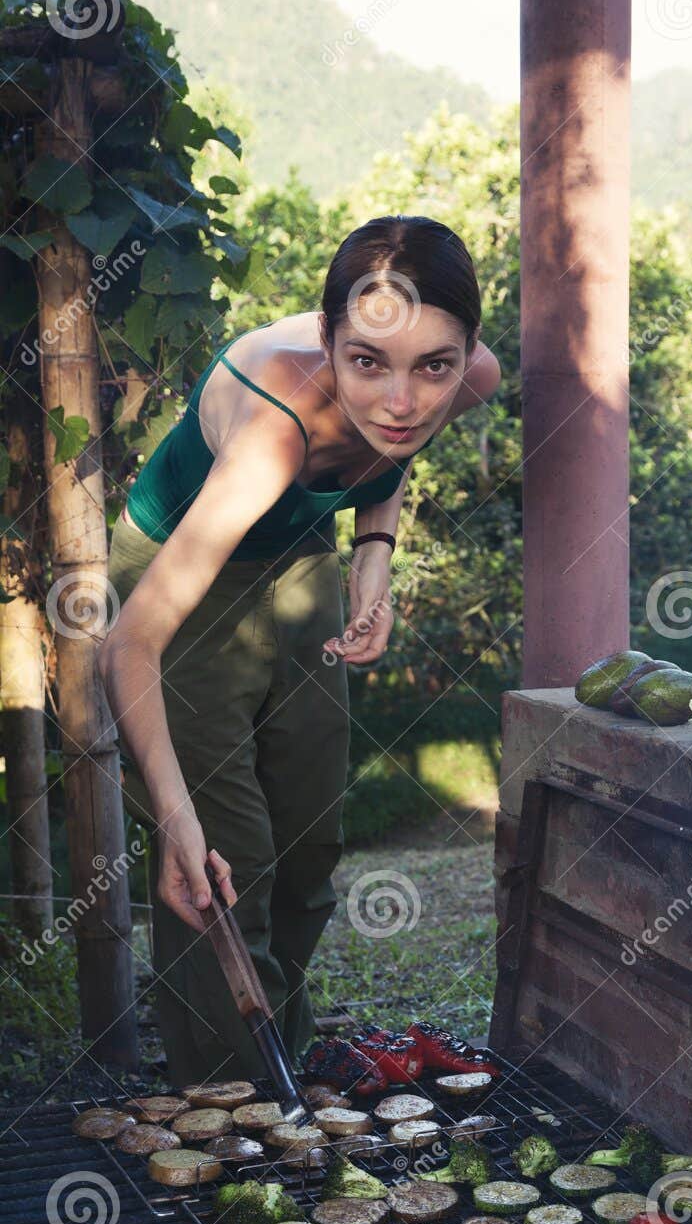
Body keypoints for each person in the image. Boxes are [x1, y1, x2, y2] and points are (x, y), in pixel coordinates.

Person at [99, 215, 500, 1087]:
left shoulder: (469, 381)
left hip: (302, 554)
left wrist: (373, 557)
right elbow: (128, 645)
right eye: (367, 364)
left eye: (434, 366)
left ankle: (289, 1033)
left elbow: (392, 450)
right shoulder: (273, 426)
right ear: (327, 342)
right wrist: (172, 822)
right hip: (183, 574)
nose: (403, 400)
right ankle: (234, 1098)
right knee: (222, 852)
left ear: (467, 351)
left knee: (311, 832)